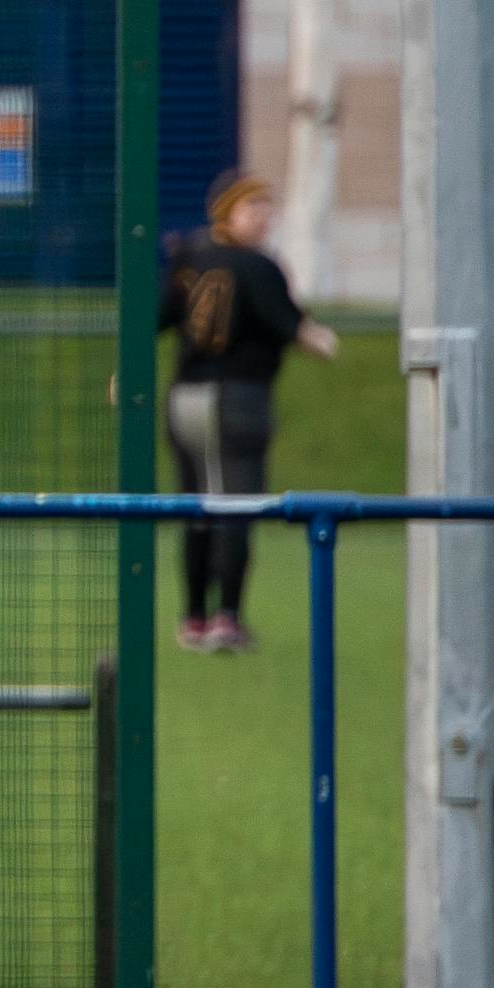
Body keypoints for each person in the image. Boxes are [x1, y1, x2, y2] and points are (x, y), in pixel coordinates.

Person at [157, 170, 337, 656]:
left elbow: (155, 318)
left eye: (266, 206)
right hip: (238, 399)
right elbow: (288, 323)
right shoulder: (258, 265)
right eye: (252, 207)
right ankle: (225, 618)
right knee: (235, 507)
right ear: (227, 213)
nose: (264, 216)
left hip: (184, 399)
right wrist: (317, 338)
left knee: (195, 507)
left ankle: (193, 616)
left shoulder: (187, 258)